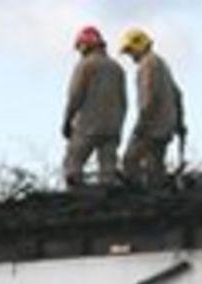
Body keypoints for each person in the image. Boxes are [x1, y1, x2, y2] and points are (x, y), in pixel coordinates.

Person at [118, 28, 186, 187]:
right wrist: (179, 123)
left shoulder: (147, 65)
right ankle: (157, 198)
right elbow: (178, 95)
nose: (130, 56)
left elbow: (148, 99)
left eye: (130, 51)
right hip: (166, 126)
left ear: (138, 46)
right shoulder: (162, 64)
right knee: (155, 168)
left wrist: (140, 126)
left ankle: (138, 199)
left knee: (129, 160)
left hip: (151, 127)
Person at [62, 26, 126, 188]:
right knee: (108, 172)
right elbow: (124, 102)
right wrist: (118, 126)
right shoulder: (117, 68)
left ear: (85, 45)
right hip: (112, 128)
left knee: (73, 164)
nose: (79, 51)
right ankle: (107, 205)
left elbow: (75, 96)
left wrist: (67, 121)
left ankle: (77, 202)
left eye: (79, 46)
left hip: (88, 126)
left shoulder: (85, 65)